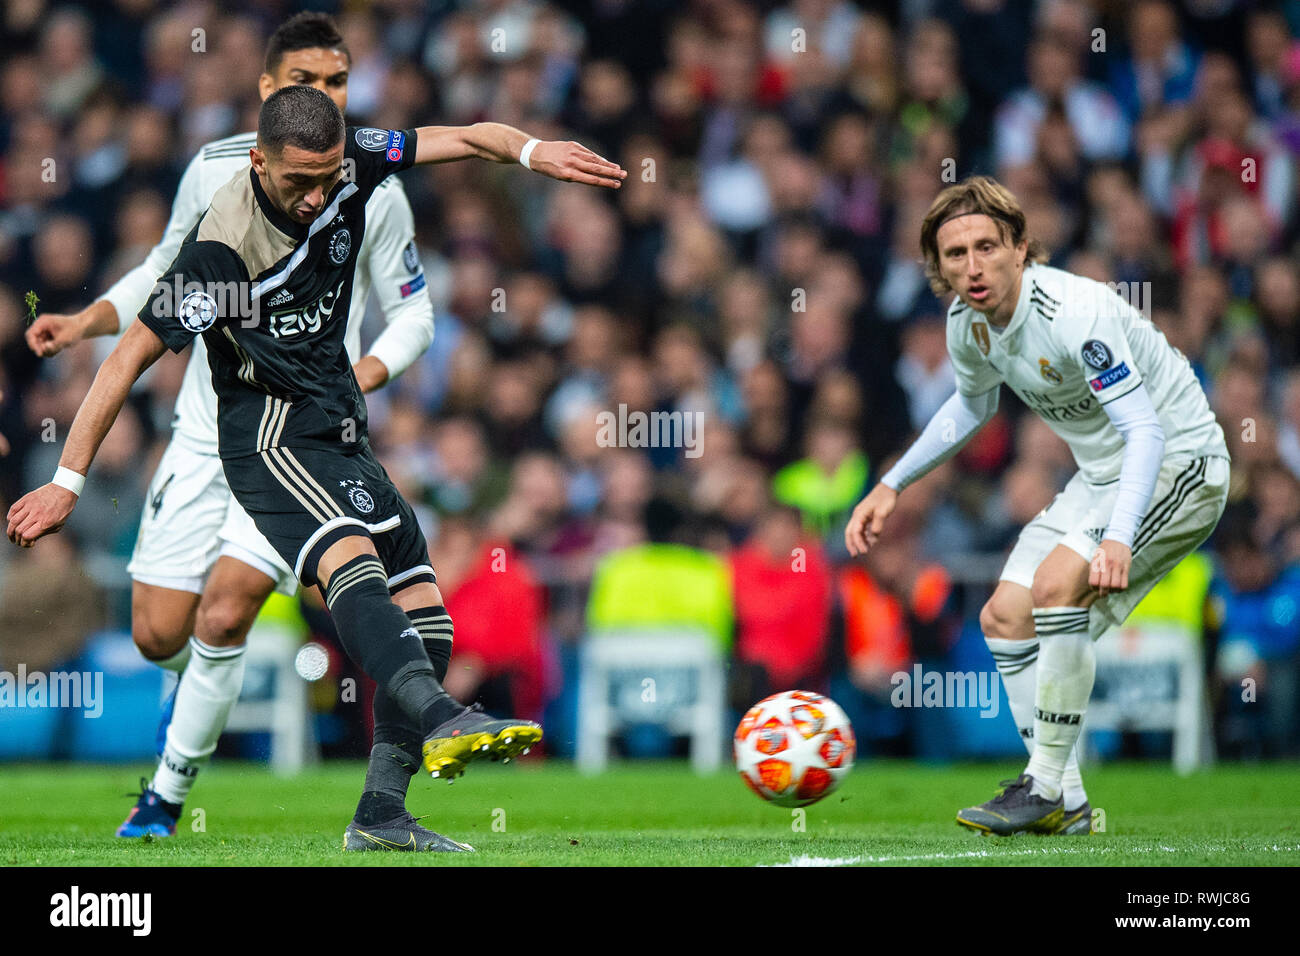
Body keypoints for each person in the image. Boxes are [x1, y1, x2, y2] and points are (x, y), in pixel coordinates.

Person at [8, 83, 625, 852]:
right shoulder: (220, 254)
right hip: (267, 438)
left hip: (336, 427)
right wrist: (67, 481)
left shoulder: (353, 162)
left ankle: (381, 814)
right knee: (343, 562)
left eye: (326, 178)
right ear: (260, 162)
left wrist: (535, 153)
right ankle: (442, 718)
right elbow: (128, 358)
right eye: (298, 181)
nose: (315, 196)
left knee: (426, 611)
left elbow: (469, 137)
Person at [26, 12, 440, 847]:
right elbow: (161, 271)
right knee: (157, 634)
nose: (324, 97)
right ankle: (194, 708)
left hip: (301, 438)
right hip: (203, 430)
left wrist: (360, 375)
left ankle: (165, 797)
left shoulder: (366, 182)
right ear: (267, 92)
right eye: (306, 82)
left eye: (337, 82)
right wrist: (88, 321)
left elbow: (413, 311)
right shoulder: (214, 172)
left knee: (225, 617)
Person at [845, 176, 1230, 835]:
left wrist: (1118, 538)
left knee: (1057, 591)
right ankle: (1068, 802)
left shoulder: (1077, 314)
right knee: (1003, 616)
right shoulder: (967, 324)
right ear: (938, 267)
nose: (973, 266)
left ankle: (1045, 787)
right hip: (1103, 475)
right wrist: (892, 483)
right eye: (955, 254)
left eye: (987, 247)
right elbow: (971, 405)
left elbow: (1145, 431)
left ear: (1021, 248)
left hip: (1179, 466)